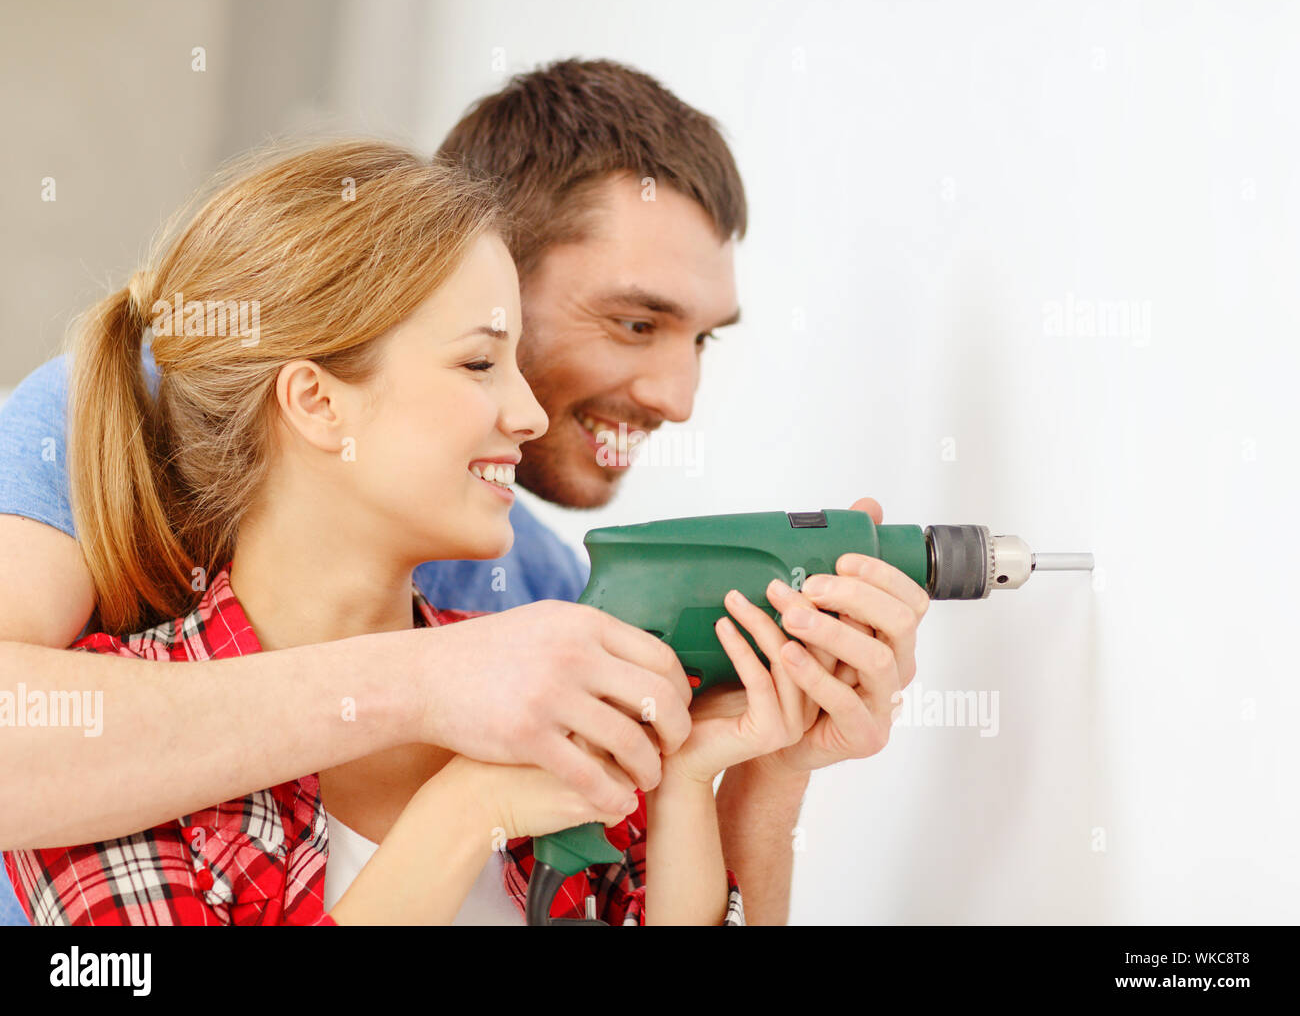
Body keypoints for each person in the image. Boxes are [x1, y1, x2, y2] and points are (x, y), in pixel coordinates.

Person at [0, 60, 929, 924]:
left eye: (702, 341)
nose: (679, 401)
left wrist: (758, 772)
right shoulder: (106, 418)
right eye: (634, 321)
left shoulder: (549, 612)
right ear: (316, 396)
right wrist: (455, 760)